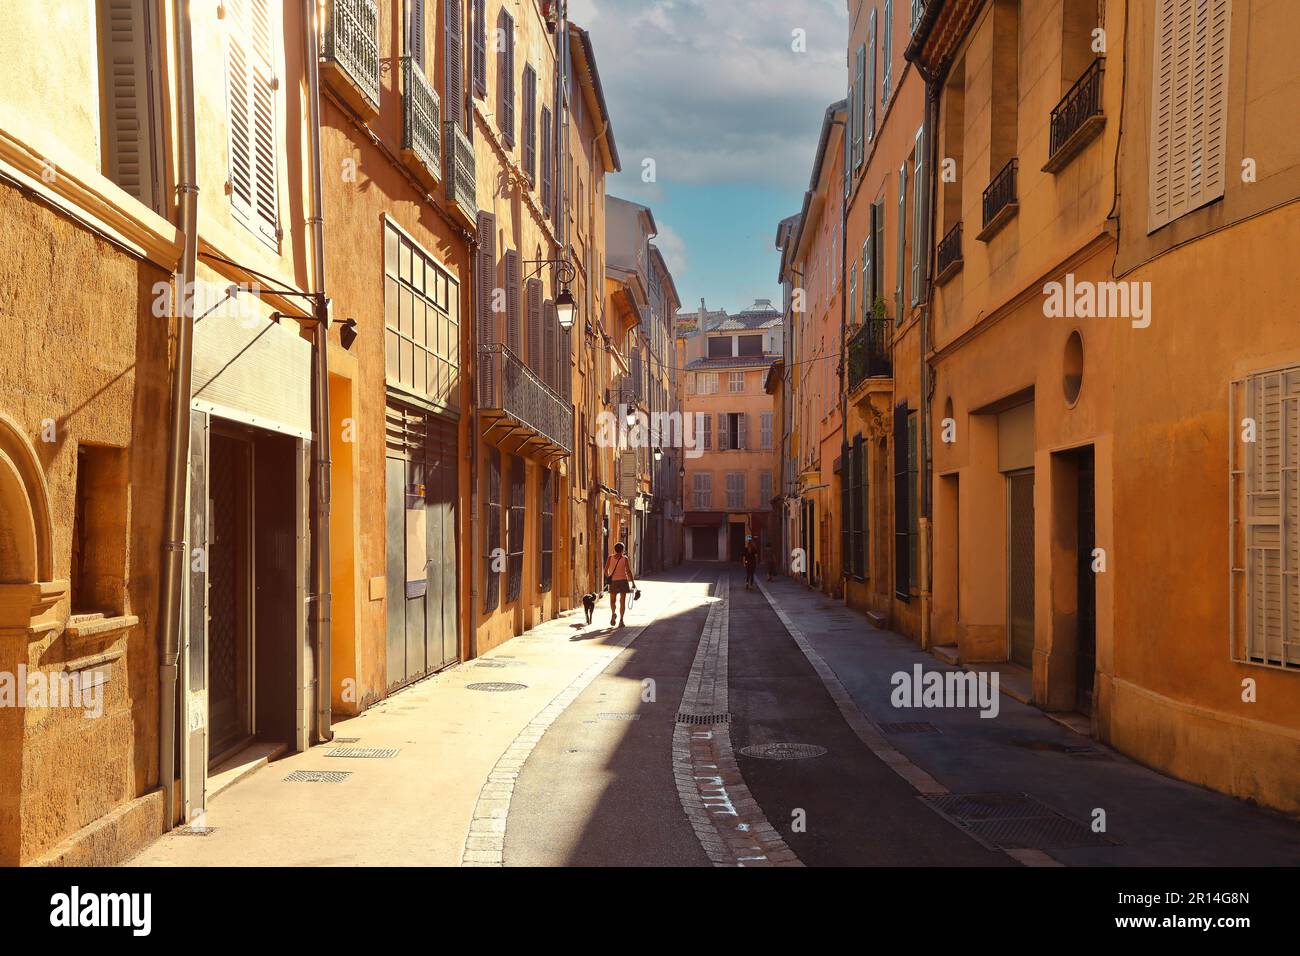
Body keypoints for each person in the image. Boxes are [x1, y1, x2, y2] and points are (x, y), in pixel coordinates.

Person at [603, 541, 636, 628]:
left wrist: (608, 577)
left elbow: (605, 570)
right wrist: (633, 583)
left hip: (613, 581)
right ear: (622, 550)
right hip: (623, 581)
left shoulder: (610, 558)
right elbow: (628, 571)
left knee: (612, 601)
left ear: (615, 549)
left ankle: (613, 613)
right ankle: (621, 620)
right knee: (622, 601)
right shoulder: (625, 558)